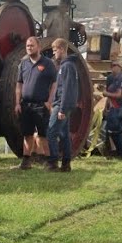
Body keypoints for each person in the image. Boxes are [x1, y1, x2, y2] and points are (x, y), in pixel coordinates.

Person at [14, 36, 56, 170]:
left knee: (44, 134)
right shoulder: (23, 64)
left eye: (31, 45)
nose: (29, 48)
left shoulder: (48, 63)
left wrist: (49, 102)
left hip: (41, 104)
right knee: (27, 134)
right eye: (27, 46)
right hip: (26, 104)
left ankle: (51, 162)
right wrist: (17, 103)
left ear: (38, 47)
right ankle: (26, 162)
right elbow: (19, 84)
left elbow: (55, 83)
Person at [47, 37, 78, 172]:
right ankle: (66, 164)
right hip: (62, 104)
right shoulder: (68, 66)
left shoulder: (66, 67)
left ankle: (53, 162)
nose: (54, 53)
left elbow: (66, 89)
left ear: (61, 49)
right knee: (64, 135)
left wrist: (62, 109)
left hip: (61, 105)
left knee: (51, 132)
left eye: (55, 50)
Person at [102, 60, 122, 158]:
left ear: (120, 67)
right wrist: (108, 104)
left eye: (114, 65)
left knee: (117, 131)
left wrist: (106, 94)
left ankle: (121, 152)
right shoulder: (112, 78)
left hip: (120, 108)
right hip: (116, 107)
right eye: (111, 65)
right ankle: (118, 152)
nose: (112, 67)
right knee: (117, 130)